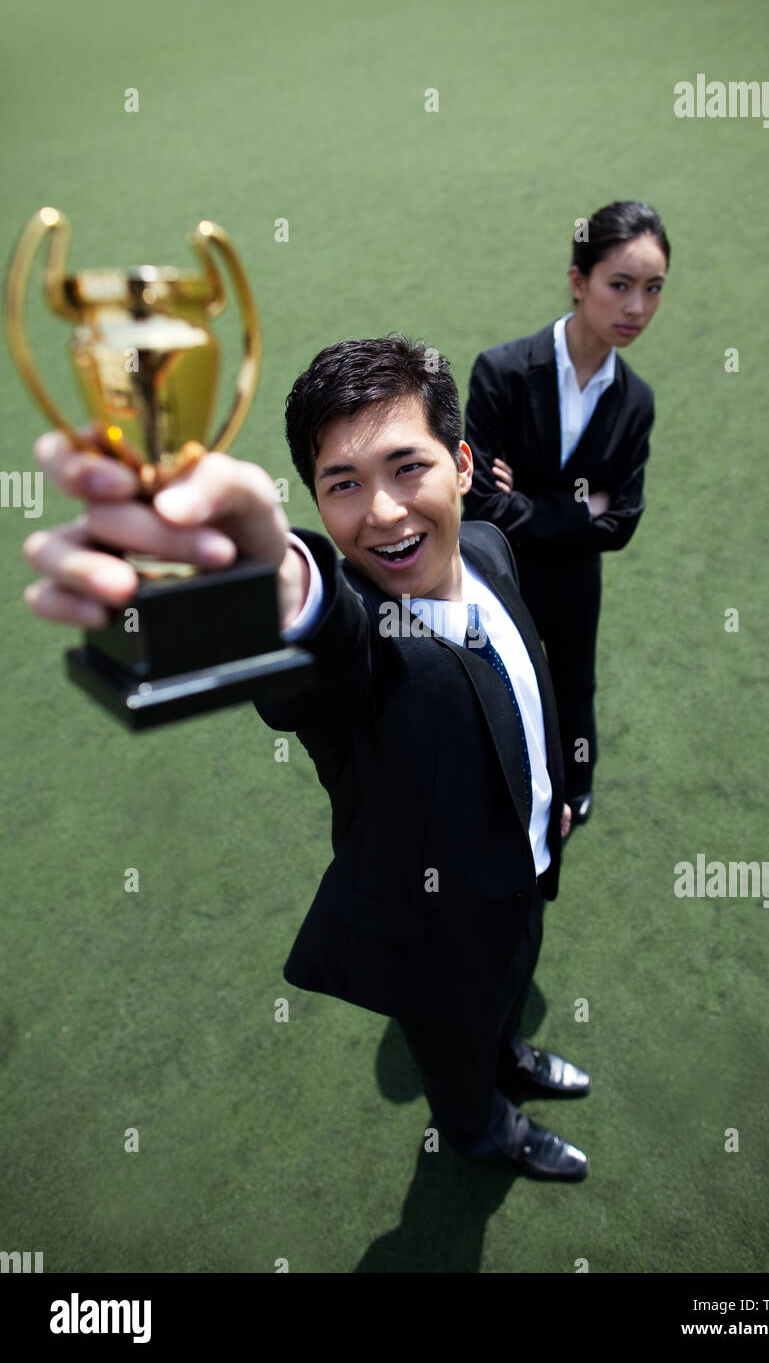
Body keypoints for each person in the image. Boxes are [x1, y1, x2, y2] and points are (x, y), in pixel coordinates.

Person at [22, 335, 593, 1182]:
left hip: (532, 859)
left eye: (408, 468)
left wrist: (555, 796)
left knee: (509, 983)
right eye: (344, 485)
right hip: (432, 928)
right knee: (452, 1033)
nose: (385, 514)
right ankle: (480, 1128)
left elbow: (529, 681)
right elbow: (326, 658)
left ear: (463, 465)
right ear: (318, 505)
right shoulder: (360, 640)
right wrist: (282, 581)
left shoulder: (491, 549)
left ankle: (508, 1052)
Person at [462, 201, 670, 828]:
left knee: (574, 689)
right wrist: (579, 508)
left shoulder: (636, 401)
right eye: (620, 285)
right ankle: (495, 789)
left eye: (653, 289)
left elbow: (623, 521)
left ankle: (574, 788)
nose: (637, 308)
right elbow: (480, 503)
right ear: (578, 282)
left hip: (577, 584)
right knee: (495, 684)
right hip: (503, 577)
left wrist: (526, 501)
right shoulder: (503, 372)